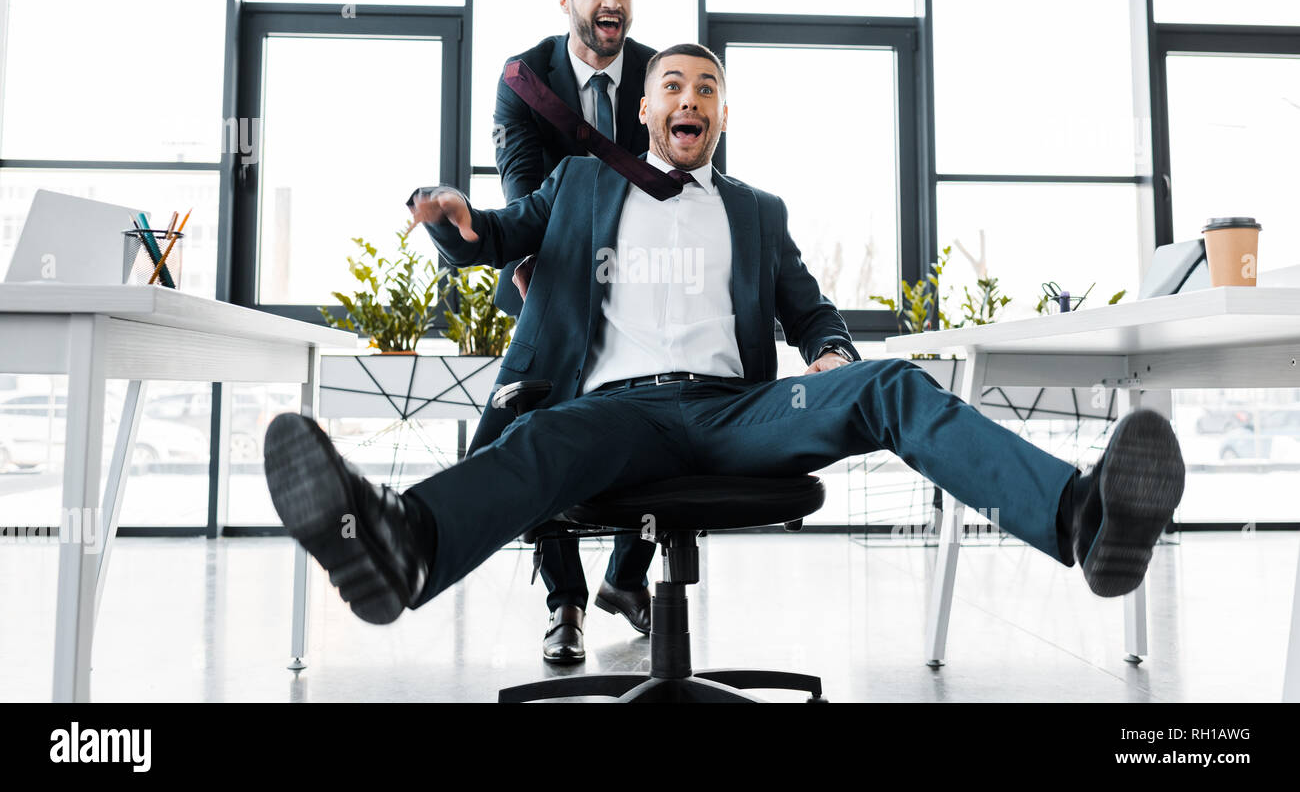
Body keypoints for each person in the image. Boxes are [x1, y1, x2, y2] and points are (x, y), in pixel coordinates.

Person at [262, 44, 1186, 635]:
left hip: (740, 410)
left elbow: (810, 310)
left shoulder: (755, 210)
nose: (689, 97)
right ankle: (401, 544)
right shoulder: (584, 185)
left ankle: (1084, 517)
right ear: (647, 114)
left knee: (890, 384)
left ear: (723, 117)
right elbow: (496, 237)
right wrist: (452, 217)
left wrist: (828, 352)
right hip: (615, 412)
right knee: (543, 439)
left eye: (708, 87)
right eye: (672, 85)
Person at [488, 0, 659, 661]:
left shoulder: (661, 71)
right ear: (568, 0)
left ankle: (627, 574)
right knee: (537, 422)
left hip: (650, 281)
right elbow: (522, 193)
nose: (611, 3)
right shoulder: (525, 77)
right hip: (550, 272)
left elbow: (692, 178)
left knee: (661, 414)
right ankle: (566, 599)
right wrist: (538, 281)